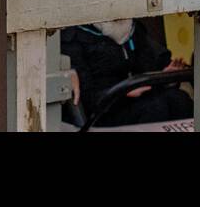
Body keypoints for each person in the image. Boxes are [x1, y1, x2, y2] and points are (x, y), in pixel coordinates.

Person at [60, 19, 192, 127]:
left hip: (138, 99)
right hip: (103, 113)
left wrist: (165, 75)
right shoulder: (74, 36)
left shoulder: (132, 28)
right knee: (156, 107)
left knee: (179, 99)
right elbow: (84, 98)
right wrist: (123, 93)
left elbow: (147, 69)